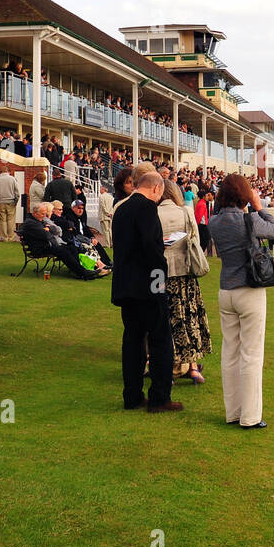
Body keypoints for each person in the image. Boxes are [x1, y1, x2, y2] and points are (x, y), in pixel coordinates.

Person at [208, 173, 274, 428]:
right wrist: (260, 208)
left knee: (230, 353)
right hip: (248, 289)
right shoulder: (249, 219)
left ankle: (234, 412)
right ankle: (250, 416)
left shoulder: (214, 220)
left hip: (226, 289)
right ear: (244, 194)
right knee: (251, 354)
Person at [111, 172, 181, 413]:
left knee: (132, 340)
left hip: (126, 285)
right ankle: (159, 397)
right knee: (160, 339)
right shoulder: (148, 208)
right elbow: (151, 249)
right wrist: (161, 279)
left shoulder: (121, 208)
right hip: (149, 284)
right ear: (156, 189)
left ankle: (131, 396)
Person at [159, 180, 212, 384]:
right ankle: (192, 366)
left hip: (161, 272)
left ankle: (169, 366)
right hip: (185, 271)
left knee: (166, 319)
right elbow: (195, 241)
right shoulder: (186, 212)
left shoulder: (153, 213)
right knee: (189, 318)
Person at [21, 201, 108, 280]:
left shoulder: (38, 220)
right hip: (41, 247)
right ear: (35, 213)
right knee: (64, 251)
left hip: (48, 244)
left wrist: (49, 228)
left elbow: (56, 231)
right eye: (42, 214)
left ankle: (82, 270)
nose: (44, 216)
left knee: (72, 247)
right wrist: (49, 231)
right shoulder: (31, 223)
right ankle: (83, 273)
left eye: (45, 214)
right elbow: (47, 235)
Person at [0, 166, 20, 241]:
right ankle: (11, 237)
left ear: (0, 172)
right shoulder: (12, 179)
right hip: (11, 202)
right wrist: (16, 201)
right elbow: (17, 192)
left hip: (0, 202)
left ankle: (4, 237)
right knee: (11, 220)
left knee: (2, 220)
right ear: (8, 171)